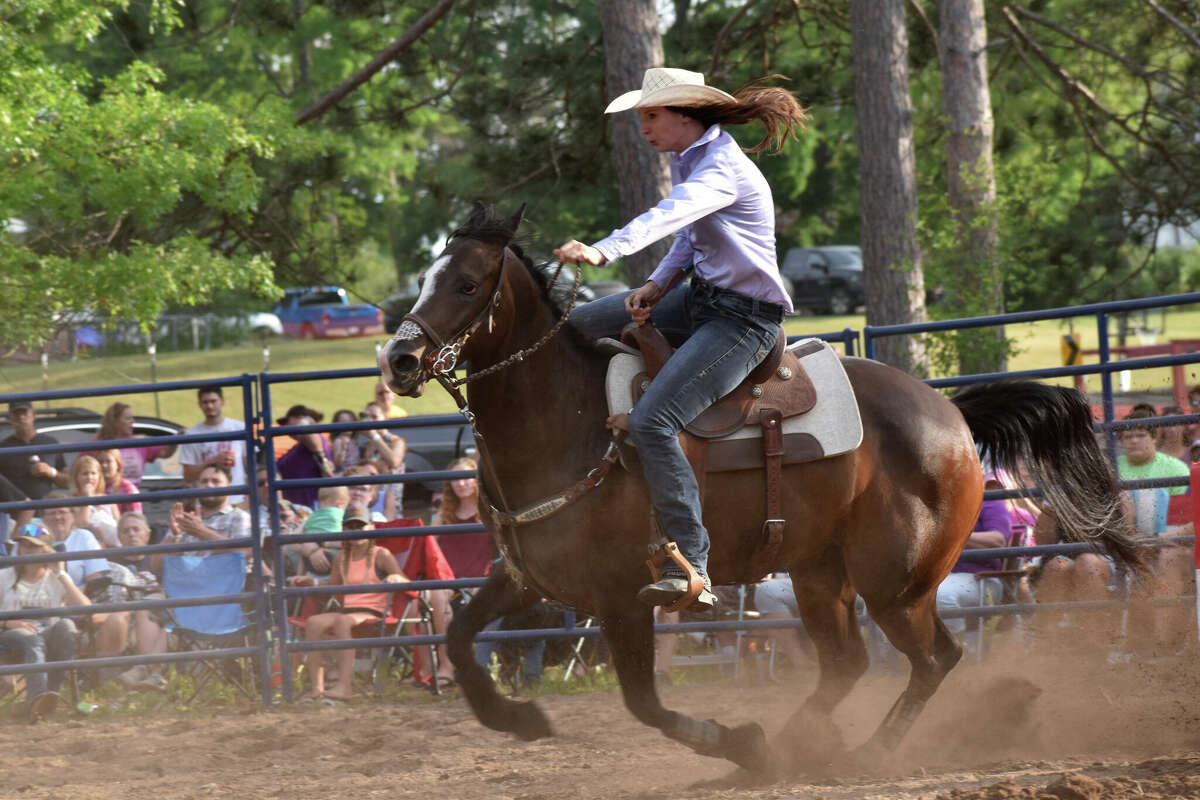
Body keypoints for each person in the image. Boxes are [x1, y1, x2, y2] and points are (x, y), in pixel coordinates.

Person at [555, 67, 807, 611]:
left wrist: (605, 249)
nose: (643, 127)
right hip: (698, 300)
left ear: (685, 115)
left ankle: (691, 562)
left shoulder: (721, 168)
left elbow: (669, 217)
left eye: (651, 116)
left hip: (744, 321)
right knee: (570, 328)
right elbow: (693, 239)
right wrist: (655, 283)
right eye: (641, 116)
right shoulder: (690, 157)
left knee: (654, 420)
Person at [289, 506, 408, 702]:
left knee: (343, 622)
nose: (354, 530)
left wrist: (395, 576)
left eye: (359, 525)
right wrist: (311, 582)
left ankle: (344, 687)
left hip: (375, 612)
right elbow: (332, 586)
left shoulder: (381, 554)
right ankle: (317, 689)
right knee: (313, 622)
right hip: (349, 610)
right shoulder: (341, 557)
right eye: (349, 525)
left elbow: (406, 580)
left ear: (371, 527)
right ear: (344, 529)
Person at [0, 524, 90, 721]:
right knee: (31, 638)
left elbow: (85, 610)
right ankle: (37, 699)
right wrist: (8, 623)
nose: (28, 551)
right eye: (24, 546)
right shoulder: (4, 577)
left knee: (66, 626)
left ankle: (50, 696)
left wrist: (61, 573)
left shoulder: (56, 579)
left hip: (48, 637)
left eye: (34, 546)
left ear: (46, 550)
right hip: (10, 638)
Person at [37, 492, 130, 664]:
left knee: (119, 615)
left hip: (80, 601)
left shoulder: (83, 537)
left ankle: (101, 675)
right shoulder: (34, 537)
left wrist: (72, 599)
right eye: (51, 513)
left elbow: (95, 580)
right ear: (42, 517)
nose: (57, 517)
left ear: (73, 515)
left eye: (62, 512)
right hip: (41, 601)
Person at [157, 464, 252, 572]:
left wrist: (199, 531)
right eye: (204, 481)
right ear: (197, 486)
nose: (209, 485)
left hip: (225, 586)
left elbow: (244, 553)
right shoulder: (185, 519)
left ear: (229, 486)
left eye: (216, 481)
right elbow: (157, 566)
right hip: (185, 585)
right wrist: (174, 536)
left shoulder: (239, 517)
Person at [0, 400, 70, 532]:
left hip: (47, 515)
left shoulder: (50, 443)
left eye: (24, 412)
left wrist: (50, 472)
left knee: (44, 548)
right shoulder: (3, 448)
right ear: (10, 419)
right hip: (15, 518)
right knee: (26, 548)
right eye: (16, 414)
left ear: (33, 415)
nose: (21, 417)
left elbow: (67, 482)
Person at [178, 386, 248, 506]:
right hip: (206, 503)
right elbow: (188, 476)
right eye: (205, 402)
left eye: (213, 401)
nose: (209, 406)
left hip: (238, 499)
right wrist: (213, 461)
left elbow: (250, 465)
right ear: (199, 404)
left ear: (222, 401)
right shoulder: (192, 434)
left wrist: (249, 496)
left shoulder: (240, 428)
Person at [432, 457, 496, 581]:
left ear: (477, 480)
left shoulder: (490, 511)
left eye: (466, 477)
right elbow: (429, 545)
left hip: (481, 583)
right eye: (455, 479)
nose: (460, 484)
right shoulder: (444, 513)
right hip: (447, 583)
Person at [94, 401, 176, 487]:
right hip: (107, 497)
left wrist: (177, 438)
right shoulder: (99, 445)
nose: (132, 421)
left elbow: (166, 452)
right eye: (128, 418)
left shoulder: (139, 443)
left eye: (132, 418)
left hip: (132, 497)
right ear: (115, 421)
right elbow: (83, 468)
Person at [274, 405, 334, 511]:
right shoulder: (298, 446)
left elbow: (308, 432)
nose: (285, 427)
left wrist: (305, 421)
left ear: (300, 417)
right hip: (295, 505)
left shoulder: (313, 436)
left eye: (287, 422)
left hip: (308, 504)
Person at [296, 485, 350, 575]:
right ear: (340, 504)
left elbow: (295, 539)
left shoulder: (311, 516)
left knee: (303, 554)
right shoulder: (342, 514)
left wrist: (313, 549)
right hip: (333, 557)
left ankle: (299, 576)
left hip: (309, 560)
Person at [68, 454, 121, 547]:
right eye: (85, 473)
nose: (89, 477)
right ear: (76, 477)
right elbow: (82, 524)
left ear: (99, 476)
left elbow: (119, 527)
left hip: (111, 547)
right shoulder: (71, 502)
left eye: (93, 473)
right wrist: (88, 498)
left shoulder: (108, 500)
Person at [95, 448, 142, 514]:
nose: (104, 465)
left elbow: (135, 518)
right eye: (100, 462)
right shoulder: (93, 486)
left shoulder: (127, 488)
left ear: (118, 465)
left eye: (108, 461)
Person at [328, 409, 362, 474]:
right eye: (344, 422)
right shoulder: (339, 441)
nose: (348, 425)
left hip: (354, 473)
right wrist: (343, 449)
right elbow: (337, 464)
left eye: (351, 422)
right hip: (343, 475)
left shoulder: (353, 441)